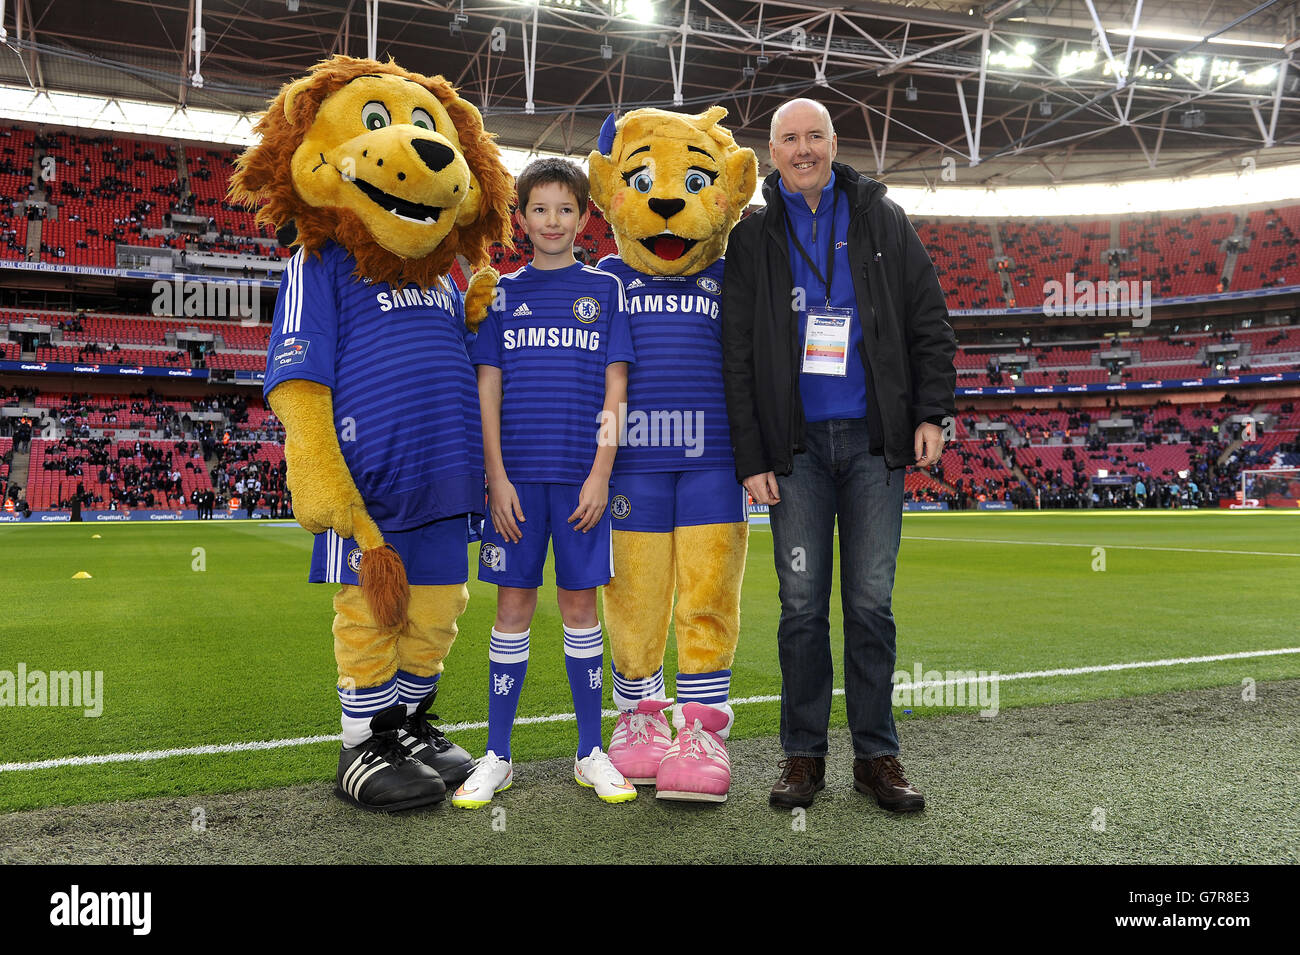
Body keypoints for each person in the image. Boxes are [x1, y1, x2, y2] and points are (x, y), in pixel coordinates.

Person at [721, 98, 956, 812]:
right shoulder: (752, 235)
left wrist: (931, 410)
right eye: (789, 139)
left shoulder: (881, 218)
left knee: (869, 603)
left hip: (872, 442)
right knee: (799, 607)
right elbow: (736, 353)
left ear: (833, 142)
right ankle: (803, 754)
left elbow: (929, 318)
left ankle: (876, 756)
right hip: (792, 450)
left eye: (814, 136)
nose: (803, 149)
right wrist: (751, 456)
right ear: (772, 151)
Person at [453, 158, 637, 809]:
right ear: (521, 217)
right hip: (517, 487)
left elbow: (617, 389)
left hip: (582, 484)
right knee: (511, 610)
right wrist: (495, 479)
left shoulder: (607, 290)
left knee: (583, 610)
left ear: (585, 217)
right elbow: (488, 388)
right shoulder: (499, 292)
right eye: (541, 209)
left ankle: (591, 751)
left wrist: (600, 473)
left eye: (566, 209)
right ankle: (498, 754)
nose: (553, 220)